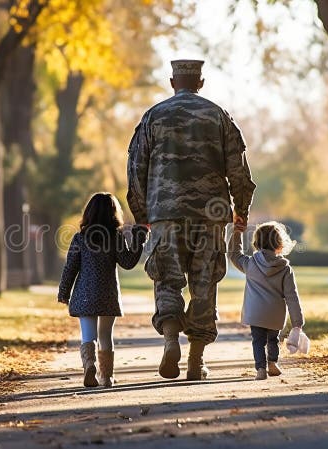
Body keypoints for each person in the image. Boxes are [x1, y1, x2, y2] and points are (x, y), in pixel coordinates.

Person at [127, 59, 256, 380]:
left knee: (167, 279)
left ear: (173, 82)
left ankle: (171, 341)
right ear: (200, 83)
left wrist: (143, 215)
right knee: (204, 285)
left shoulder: (153, 117)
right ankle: (196, 362)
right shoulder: (218, 116)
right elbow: (239, 171)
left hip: (164, 215)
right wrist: (241, 210)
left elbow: (135, 169)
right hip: (210, 215)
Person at [58, 193, 148, 388]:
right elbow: (128, 262)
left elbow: (70, 268)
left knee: (88, 335)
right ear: (113, 214)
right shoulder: (115, 237)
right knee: (105, 335)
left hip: (84, 295)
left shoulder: (80, 238)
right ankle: (106, 377)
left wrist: (64, 292)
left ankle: (89, 365)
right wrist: (139, 237)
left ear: (89, 212)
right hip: (107, 295)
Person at [228, 221, 305, 381]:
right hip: (275, 314)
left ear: (256, 243)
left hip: (255, 313)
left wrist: (237, 234)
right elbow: (292, 297)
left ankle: (260, 369)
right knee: (273, 339)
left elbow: (234, 254)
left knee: (258, 341)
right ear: (280, 243)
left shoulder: (250, 264)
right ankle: (272, 363)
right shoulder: (285, 269)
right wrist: (298, 322)